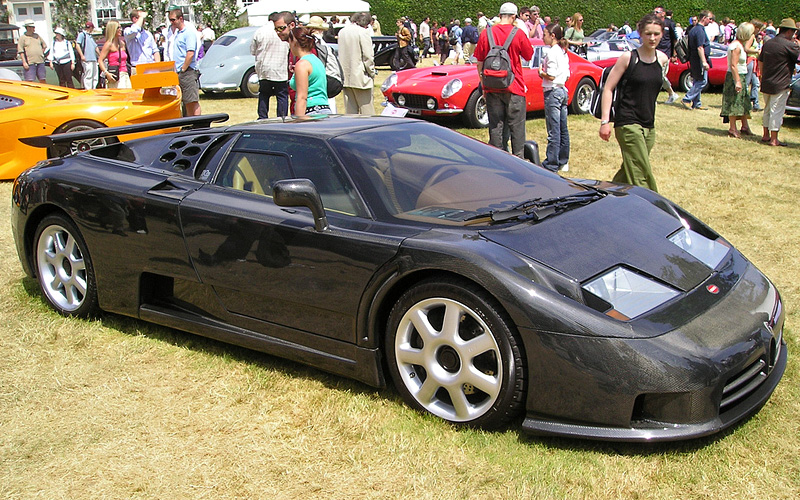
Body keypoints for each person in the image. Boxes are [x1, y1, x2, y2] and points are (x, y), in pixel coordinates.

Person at [599, 14, 669, 192]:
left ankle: (608, 195)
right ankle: (655, 208)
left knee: (631, 168)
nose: (652, 38)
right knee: (641, 174)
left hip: (649, 124)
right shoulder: (628, 58)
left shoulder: (662, 60)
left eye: (656, 34)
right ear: (640, 34)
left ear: (662, 34)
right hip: (628, 122)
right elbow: (608, 88)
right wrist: (605, 122)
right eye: (648, 34)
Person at [475, 3, 534, 158]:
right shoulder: (518, 33)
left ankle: (497, 162)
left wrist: (483, 83)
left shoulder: (486, 33)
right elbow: (529, 55)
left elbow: (479, 61)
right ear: (514, 17)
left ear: (499, 15)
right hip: (514, 87)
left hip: (492, 88)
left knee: (495, 128)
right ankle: (518, 164)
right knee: (517, 130)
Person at [758, 18, 800, 146]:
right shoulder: (790, 45)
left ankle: (765, 135)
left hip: (767, 81)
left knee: (767, 109)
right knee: (777, 111)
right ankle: (774, 139)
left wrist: (762, 76)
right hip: (780, 83)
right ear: (789, 31)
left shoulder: (769, 43)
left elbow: (761, 61)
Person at [539, 24, 571, 172]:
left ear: (552, 36)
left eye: (545, 33)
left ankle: (551, 163)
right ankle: (563, 160)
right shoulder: (563, 52)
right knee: (563, 128)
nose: (542, 36)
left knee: (554, 130)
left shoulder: (552, 53)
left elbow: (551, 75)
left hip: (553, 91)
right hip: (563, 90)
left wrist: (541, 72)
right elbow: (567, 73)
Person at [251, 11, 292, 119]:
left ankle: (262, 117)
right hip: (280, 67)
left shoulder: (260, 31)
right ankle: (282, 117)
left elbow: (253, 50)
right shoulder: (284, 31)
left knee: (264, 94)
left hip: (264, 68)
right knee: (282, 96)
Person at [720, 23, 755, 138]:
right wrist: (737, 81)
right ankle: (732, 128)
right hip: (735, 76)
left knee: (743, 101)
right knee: (734, 102)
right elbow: (733, 65)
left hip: (741, 75)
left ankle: (744, 126)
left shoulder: (740, 45)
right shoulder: (736, 47)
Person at [338, 12, 375, 114]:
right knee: (367, 113)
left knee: (350, 112)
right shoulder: (363, 32)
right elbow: (368, 56)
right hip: (361, 77)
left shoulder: (342, 32)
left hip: (345, 76)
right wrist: (372, 72)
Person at [287, 26, 330, 116]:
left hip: (311, 111)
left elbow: (302, 97)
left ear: (294, 42)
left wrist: (299, 121)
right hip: (324, 109)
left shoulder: (302, 65)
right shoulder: (316, 60)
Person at [169, 8, 201, 116]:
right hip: (180, 72)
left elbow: (190, 53)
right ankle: (190, 125)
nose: (171, 23)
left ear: (181, 18)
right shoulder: (177, 34)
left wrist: (183, 69)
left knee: (192, 100)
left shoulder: (189, 32)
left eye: (173, 20)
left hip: (188, 71)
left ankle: (198, 125)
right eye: (170, 20)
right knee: (186, 101)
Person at [682, 10, 713, 110]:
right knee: (702, 81)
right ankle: (687, 99)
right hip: (698, 60)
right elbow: (700, 47)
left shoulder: (694, 29)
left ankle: (697, 103)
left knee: (697, 80)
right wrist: (704, 62)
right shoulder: (699, 31)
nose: (711, 21)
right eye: (710, 18)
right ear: (704, 18)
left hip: (695, 59)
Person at [654, 6, 680, 104]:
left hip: (666, 53)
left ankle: (656, 96)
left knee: (659, 75)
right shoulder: (655, 23)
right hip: (655, 52)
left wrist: (674, 54)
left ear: (663, 13)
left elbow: (674, 40)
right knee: (658, 75)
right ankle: (671, 94)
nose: (655, 13)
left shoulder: (669, 24)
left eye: (657, 12)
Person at [124, 10, 160, 75]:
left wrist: (157, 66)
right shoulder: (127, 31)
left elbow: (155, 50)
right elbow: (135, 30)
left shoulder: (148, 34)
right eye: (142, 18)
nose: (144, 20)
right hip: (137, 67)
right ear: (134, 19)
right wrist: (141, 17)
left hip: (151, 66)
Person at [98, 21, 131, 89]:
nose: (120, 29)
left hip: (125, 74)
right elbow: (100, 60)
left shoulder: (122, 43)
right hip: (116, 75)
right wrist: (106, 73)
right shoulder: (108, 44)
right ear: (113, 29)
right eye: (118, 28)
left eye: (120, 27)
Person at [76, 22, 99, 89]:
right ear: (91, 28)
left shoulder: (91, 36)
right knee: (88, 75)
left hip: (94, 59)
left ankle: (94, 88)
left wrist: (100, 56)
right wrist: (82, 55)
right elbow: (77, 45)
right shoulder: (82, 35)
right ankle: (88, 89)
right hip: (87, 59)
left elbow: (95, 47)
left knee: (95, 75)